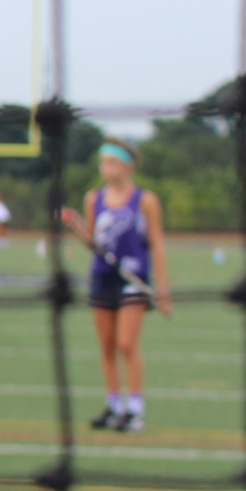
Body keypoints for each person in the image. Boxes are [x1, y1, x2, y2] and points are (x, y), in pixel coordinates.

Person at [63, 138, 172, 433]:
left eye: (112, 162)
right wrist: (78, 228)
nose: (106, 168)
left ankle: (135, 409)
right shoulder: (93, 199)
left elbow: (157, 243)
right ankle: (114, 406)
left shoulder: (145, 200)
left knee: (126, 343)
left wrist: (163, 288)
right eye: (103, 162)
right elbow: (95, 244)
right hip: (102, 276)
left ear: (128, 166)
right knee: (107, 345)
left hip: (133, 278)